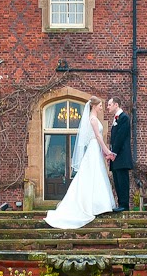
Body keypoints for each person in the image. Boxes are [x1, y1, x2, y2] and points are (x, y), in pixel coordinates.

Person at [44, 96, 116, 229]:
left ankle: (98, 205)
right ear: (94, 106)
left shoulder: (94, 118)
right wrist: (107, 151)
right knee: (92, 175)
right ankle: (92, 206)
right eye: (100, 105)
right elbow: (98, 137)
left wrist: (103, 152)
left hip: (95, 149)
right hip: (94, 148)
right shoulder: (93, 119)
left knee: (95, 176)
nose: (102, 108)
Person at [107, 96, 132, 212]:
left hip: (121, 156)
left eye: (109, 105)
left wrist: (113, 153)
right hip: (116, 158)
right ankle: (120, 204)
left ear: (116, 105)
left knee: (123, 181)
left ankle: (124, 205)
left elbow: (120, 137)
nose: (108, 107)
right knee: (117, 181)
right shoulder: (116, 119)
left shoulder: (124, 118)